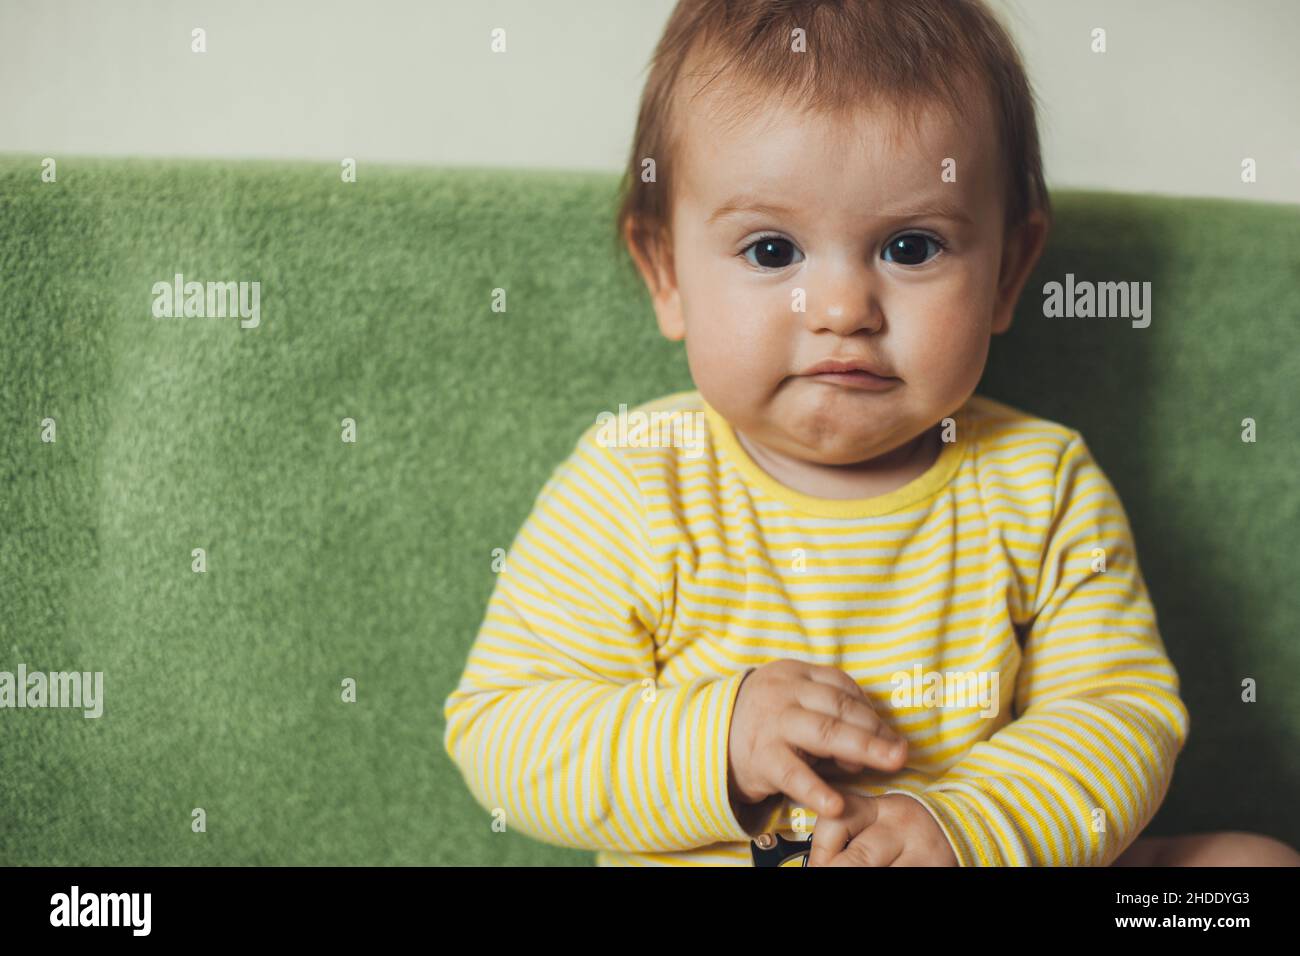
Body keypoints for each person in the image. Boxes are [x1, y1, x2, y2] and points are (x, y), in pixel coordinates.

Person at [444, 0, 1298, 867]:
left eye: (912, 247)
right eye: (773, 251)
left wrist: (966, 828)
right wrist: (720, 739)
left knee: (1244, 872)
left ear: (1007, 271)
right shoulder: (634, 480)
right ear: (666, 272)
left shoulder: (1040, 483)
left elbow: (1119, 713)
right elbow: (503, 728)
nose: (844, 309)